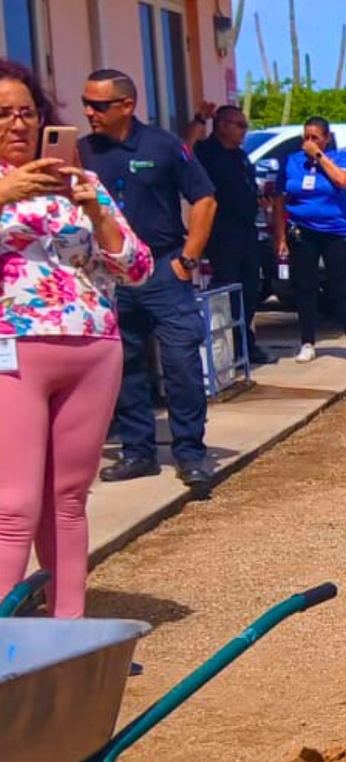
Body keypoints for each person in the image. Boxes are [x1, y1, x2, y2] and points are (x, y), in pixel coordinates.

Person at [0, 61, 152, 616]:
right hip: (12, 350)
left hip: (92, 346)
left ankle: (69, 634)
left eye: (27, 112)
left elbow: (136, 268)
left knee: (67, 501)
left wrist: (94, 209)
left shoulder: (80, 183)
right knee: (13, 505)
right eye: (3, 114)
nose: (18, 125)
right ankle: (4, 641)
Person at [80, 69, 218, 489]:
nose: (89, 112)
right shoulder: (81, 152)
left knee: (181, 363)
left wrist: (188, 259)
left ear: (127, 105)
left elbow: (204, 199)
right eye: (86, 103)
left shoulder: (163, 146)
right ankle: (137, 451)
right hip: (109, 274)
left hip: (163, 269)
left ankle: (191, 454)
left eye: (99, 105)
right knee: (124, 366)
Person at [275, 117, 346, 364]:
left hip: (335, 231)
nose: (309, 142)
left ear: (326, 138)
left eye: (314, 137)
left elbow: (343, 182)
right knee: (305, 288)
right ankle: (307, 342)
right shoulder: (292, 161)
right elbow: (281, 198)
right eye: (306, 137)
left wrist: (320, 157)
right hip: (302, 230)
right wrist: (280, 236)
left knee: (340, 288)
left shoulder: (341, 158)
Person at [192, 105, 270, 365]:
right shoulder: (207, 152)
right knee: (227, 289)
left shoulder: (239, 156)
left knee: (250, 289)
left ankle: (246, 343)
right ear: (223, 125)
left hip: (247, 230)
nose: (244, 132)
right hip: (222, 233)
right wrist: (199, 119)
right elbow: (183, 151)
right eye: (240, 126)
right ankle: (228, 347)